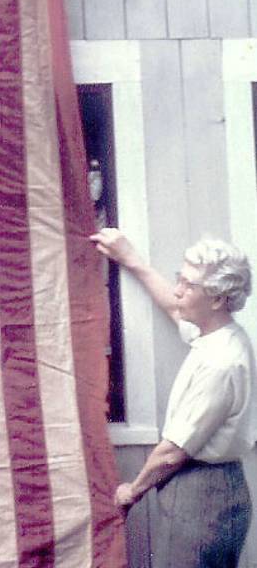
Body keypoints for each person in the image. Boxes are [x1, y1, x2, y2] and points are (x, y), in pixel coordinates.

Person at [91, 228, 254, 568]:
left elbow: (172, 453)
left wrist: (131, 492)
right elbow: (174, 307)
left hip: (201, 494)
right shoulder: (217, 334)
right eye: (180, 278)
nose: (178, 290)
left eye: (188, 285)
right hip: (219, 487)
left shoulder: (221, 362)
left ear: (217, 300)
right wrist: (131, 259)